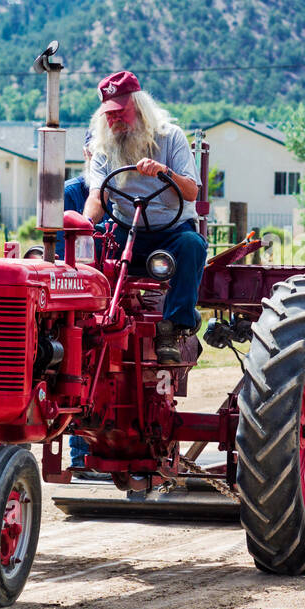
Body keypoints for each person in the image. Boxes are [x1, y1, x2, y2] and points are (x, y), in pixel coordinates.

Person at [82, 70, 207, 364]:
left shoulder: (171, 137)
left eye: (120, 113)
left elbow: (191, 192)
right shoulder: (105, 148)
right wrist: (85, 226)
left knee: (193, 245)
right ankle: (88, 318)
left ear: (138, 108)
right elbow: (97, 196)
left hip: (171, 233)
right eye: (108, 115)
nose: (114, 120)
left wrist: (165, 172)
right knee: (89, 248)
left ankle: (172, 328)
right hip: (128, 232)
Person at [65, 132, 94, 474]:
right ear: (88, 152)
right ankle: (81, 458)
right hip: (83, 288)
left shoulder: (130, 193)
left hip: (122, 287)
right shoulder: (72, 193)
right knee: (80, 363)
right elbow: (61, 251)